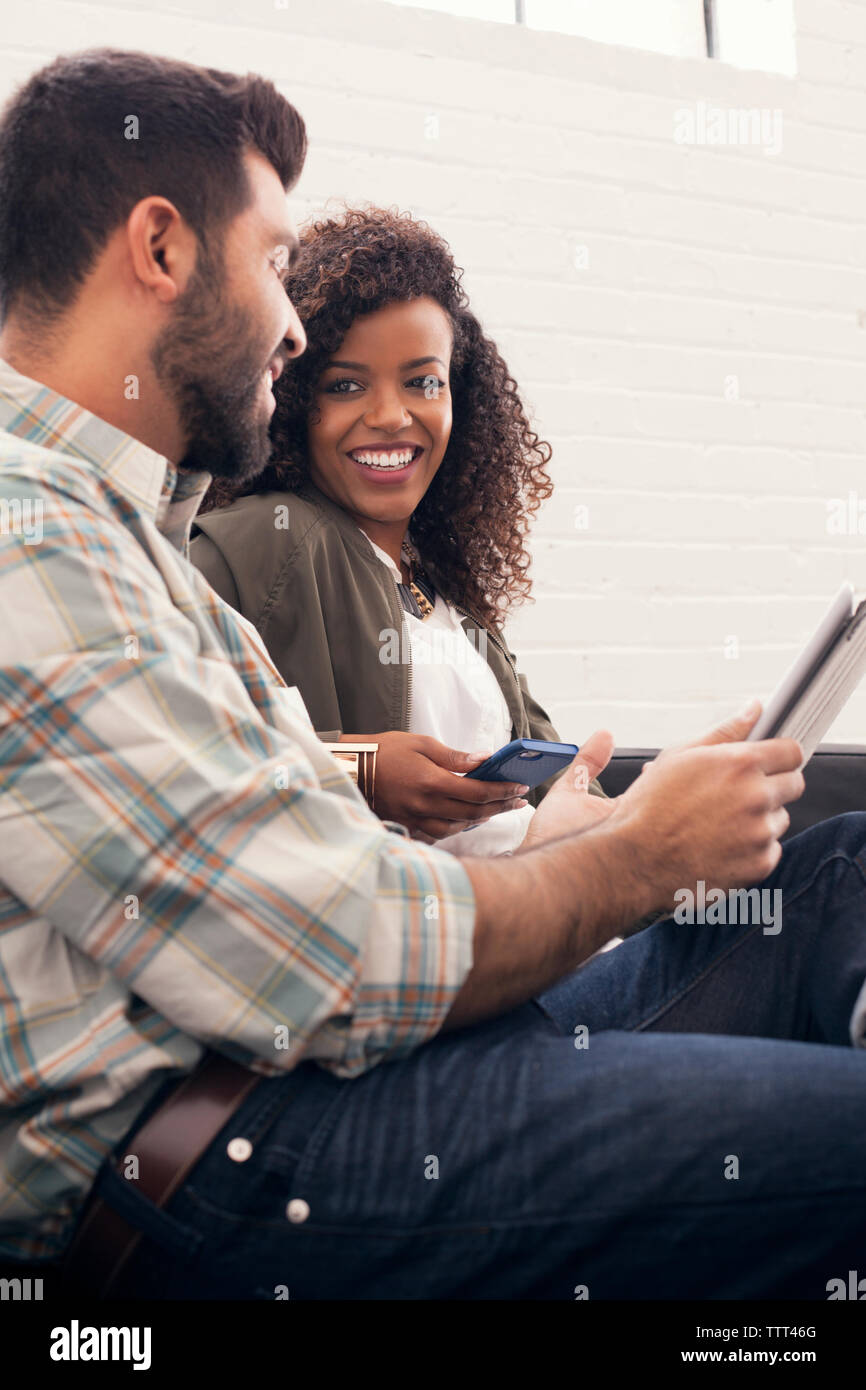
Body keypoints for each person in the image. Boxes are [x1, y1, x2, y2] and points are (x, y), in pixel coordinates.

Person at [1, 48, 866, 1302]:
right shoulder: (35, 541)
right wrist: (633, 861)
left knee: (831, 872)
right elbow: (333, 954)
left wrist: (554, 842)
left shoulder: (129, 539)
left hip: (328, 1071)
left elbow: (310, 874)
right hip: (232, 1158)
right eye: (276, 262)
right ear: (161, 248)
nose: (292, 327)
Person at [191, 206, 605, 852]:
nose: (390, 415)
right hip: (424, 942)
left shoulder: (451, 602)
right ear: (297, 402)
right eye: (347, 385)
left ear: (456, 401)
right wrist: (363, 771)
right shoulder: (262, 542)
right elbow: (171, 751)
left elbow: (568, 793)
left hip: (545, 927)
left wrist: (635, 824)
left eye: (422, 381)